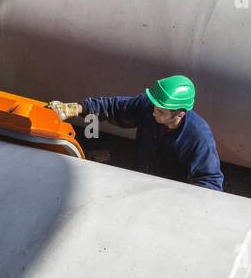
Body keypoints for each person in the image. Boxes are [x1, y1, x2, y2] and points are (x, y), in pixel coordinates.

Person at [51, 75, 224, 191]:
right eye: (154, 107)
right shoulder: (150, 107)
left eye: (161, 111)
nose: (154, 112)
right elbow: (112, 106)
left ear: (180, 113)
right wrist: (76, 108)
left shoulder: (198, 136)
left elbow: (210, 181)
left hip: (168, 195)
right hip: (140, 181)